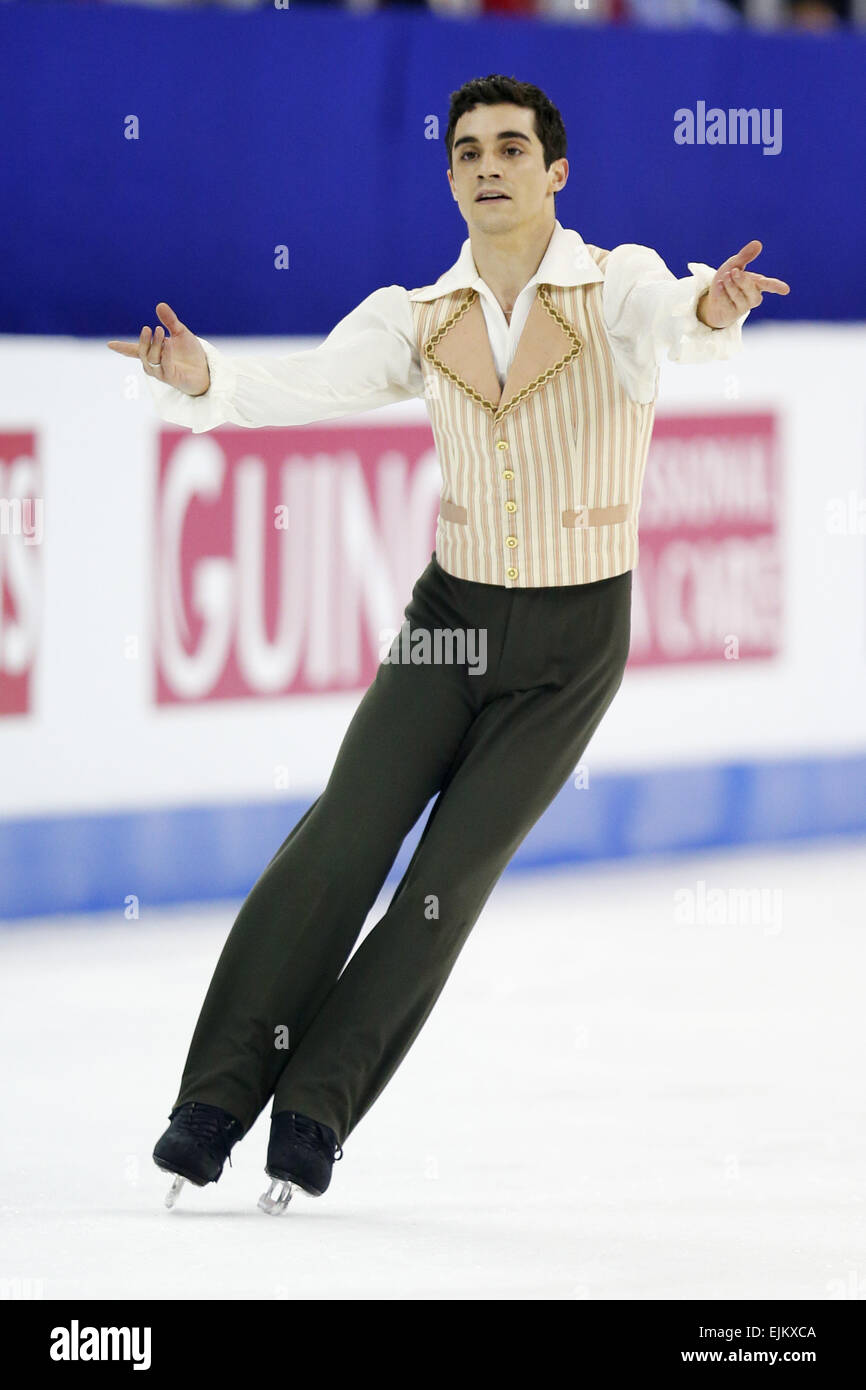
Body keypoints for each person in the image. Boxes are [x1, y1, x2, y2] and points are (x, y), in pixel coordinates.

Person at [107, 72, 789, 1214]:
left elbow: (677, 314)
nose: (487, 165)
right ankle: (213, 1101)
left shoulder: (610, 284)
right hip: (448, 624)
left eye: (511, 148)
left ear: (554, 172)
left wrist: (712, 309)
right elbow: (309, 383)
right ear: (449, 177)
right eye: (467, 149)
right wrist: (206, 376)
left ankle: (315, 1112)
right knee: (340, 839)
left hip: (574, 644)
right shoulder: (417, 315)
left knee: (439, 887)